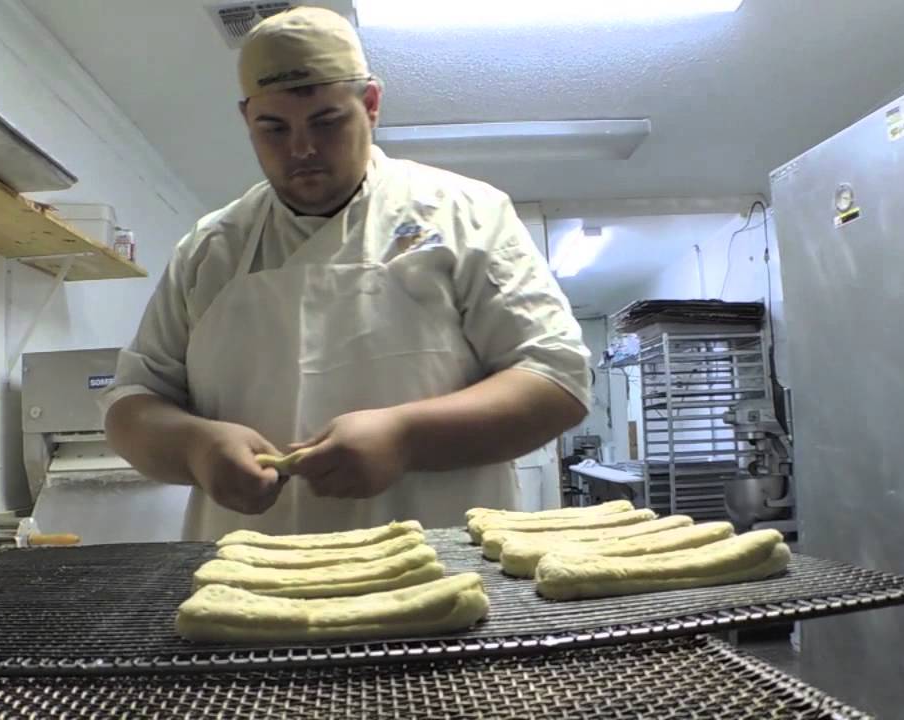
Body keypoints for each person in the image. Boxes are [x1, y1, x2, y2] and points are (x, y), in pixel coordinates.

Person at [102, 6, 590, 540]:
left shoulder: (466, 215)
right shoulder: (210, 249)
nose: (302, 149)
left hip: (438, 570)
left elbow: (556, 380)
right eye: (274, 128)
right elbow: (132, 406)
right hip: (250, 583)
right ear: (246, 120)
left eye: (326, 121)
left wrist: (407, 438)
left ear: (371, 104)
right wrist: (194, 447)